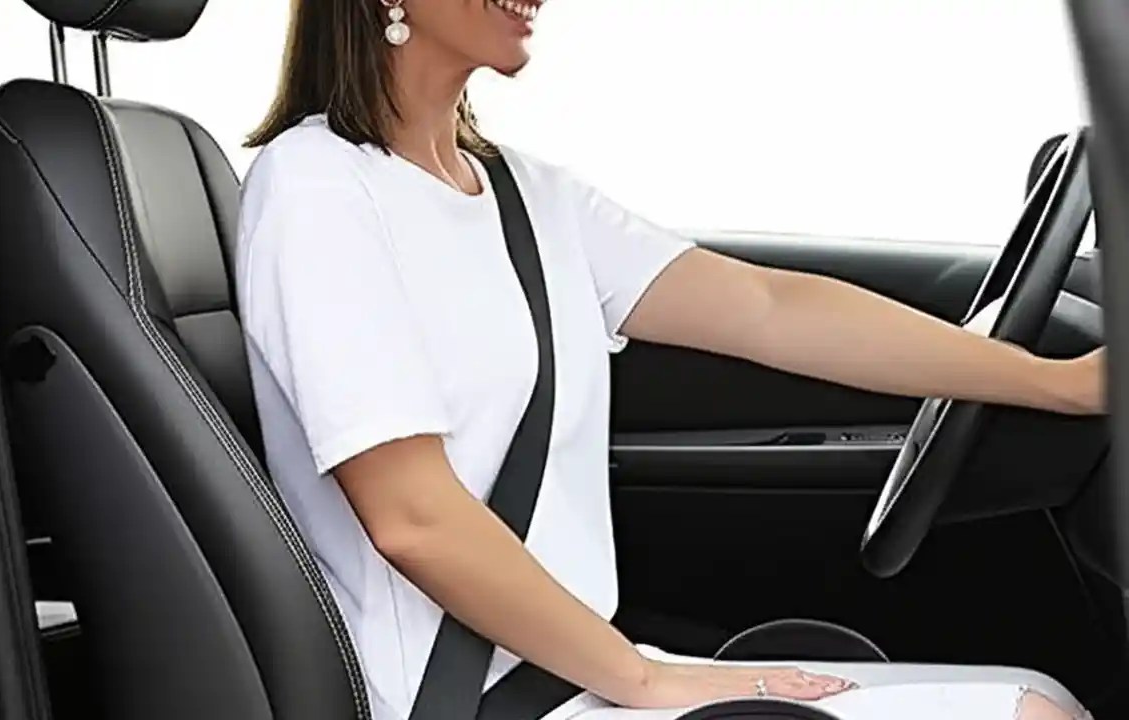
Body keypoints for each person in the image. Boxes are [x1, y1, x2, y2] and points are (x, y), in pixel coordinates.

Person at [234, 1, 1104, 718]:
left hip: (578, 678)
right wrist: (647, 680)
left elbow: (770, 309)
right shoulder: (315, 187)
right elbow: (411, 518)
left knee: (1041, 697)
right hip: (472, 701)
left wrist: (1057, 383)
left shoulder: (523, 193)